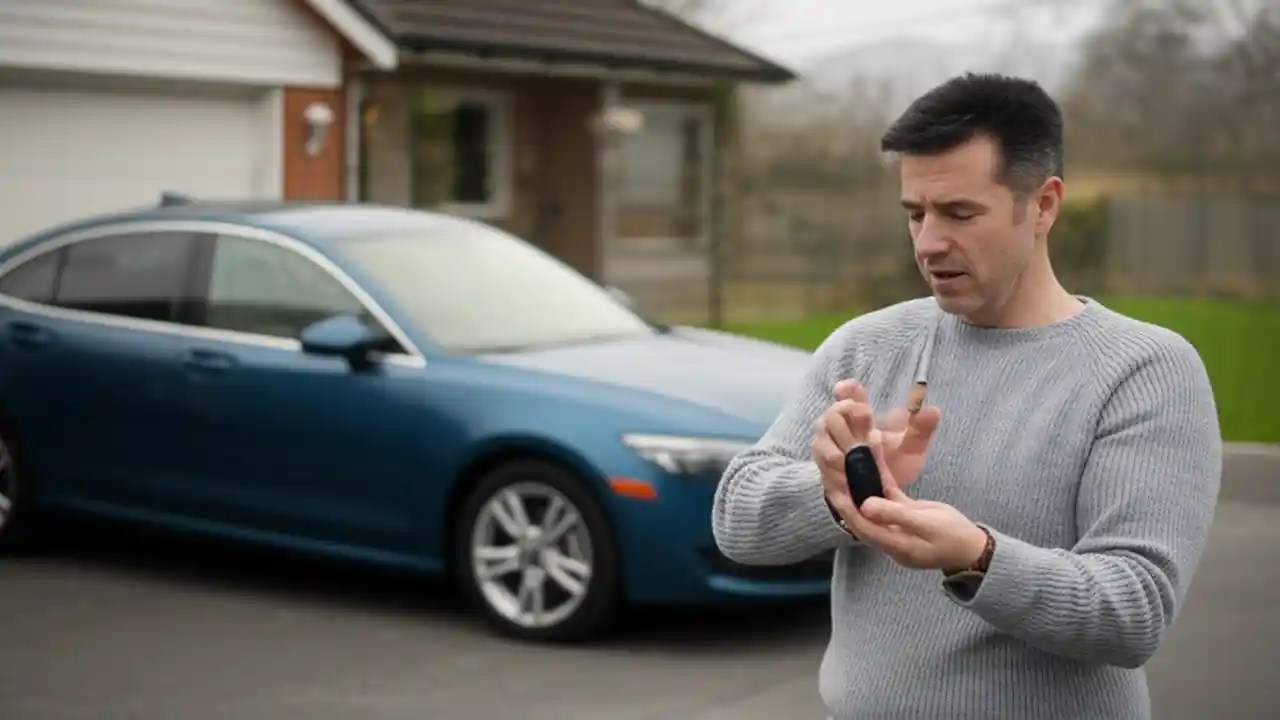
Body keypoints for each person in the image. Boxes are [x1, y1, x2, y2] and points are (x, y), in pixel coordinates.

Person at [711, 72, 1222, 719]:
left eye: (959, 213)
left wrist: (975, 557)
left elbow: (1132, 611)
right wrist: (843, 493)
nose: (928, 243)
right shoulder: (865, 348)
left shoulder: (1144, 370)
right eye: (915, 214)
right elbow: (737, 524)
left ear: (1043, 205)